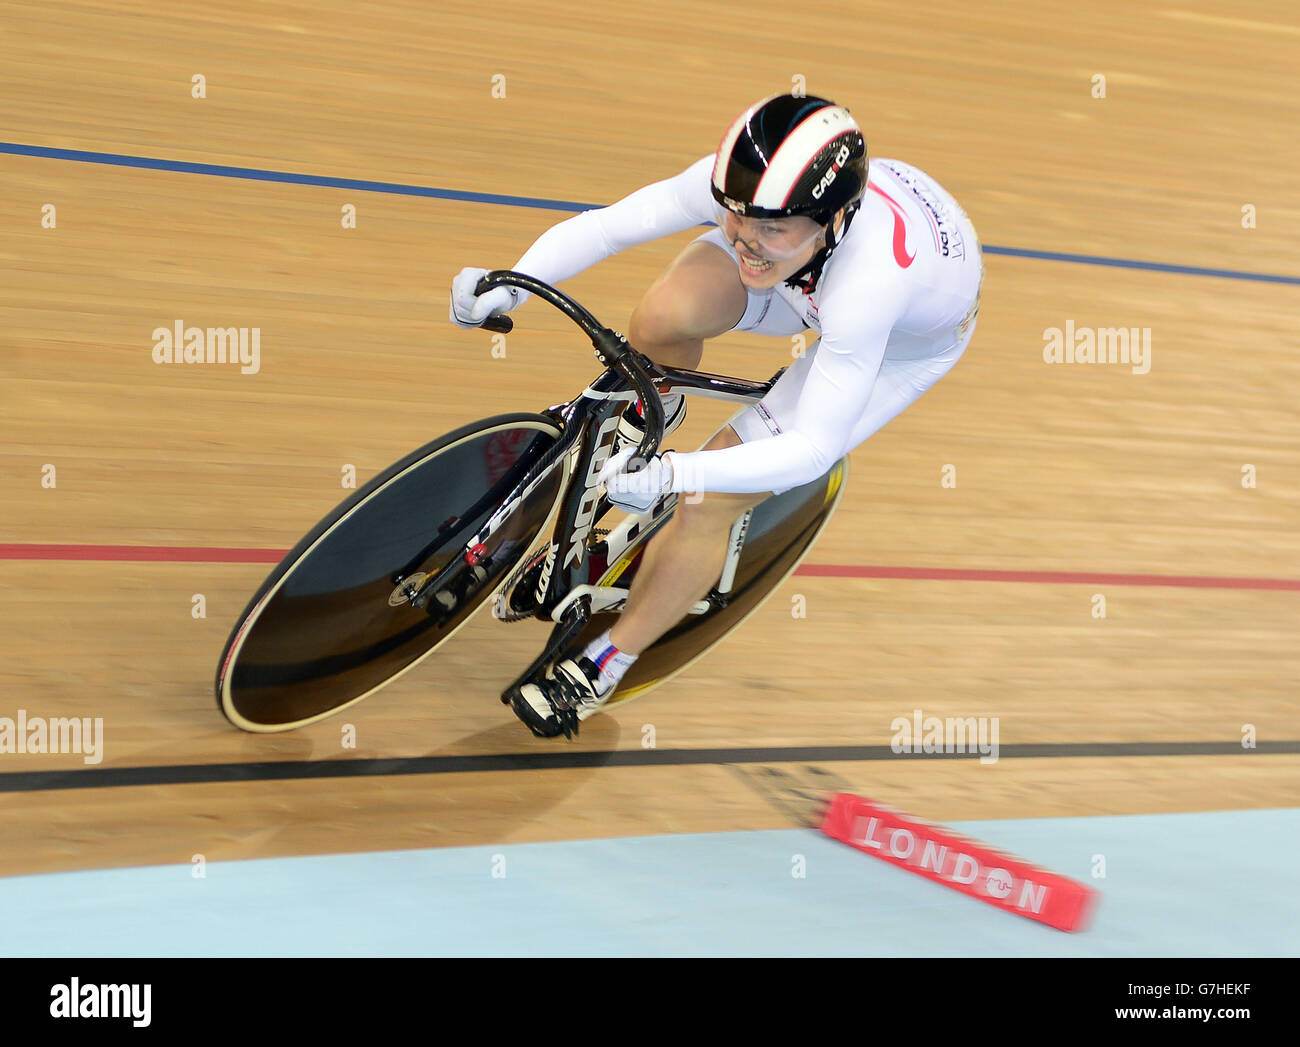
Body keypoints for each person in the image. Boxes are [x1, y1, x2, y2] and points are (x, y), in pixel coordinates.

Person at [450, 93, 983, 739]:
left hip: (901, 340)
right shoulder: (753, 198)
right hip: (806, 276)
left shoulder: (870, 283)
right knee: (662, 315)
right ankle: (659, 408)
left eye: (769, 228)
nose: (745, 238)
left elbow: (816, 447)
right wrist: (510, 281)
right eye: (735, 218)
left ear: (836, 220)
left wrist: (675, 476)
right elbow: (607, 226)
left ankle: (611, 657)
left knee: (709, 496)